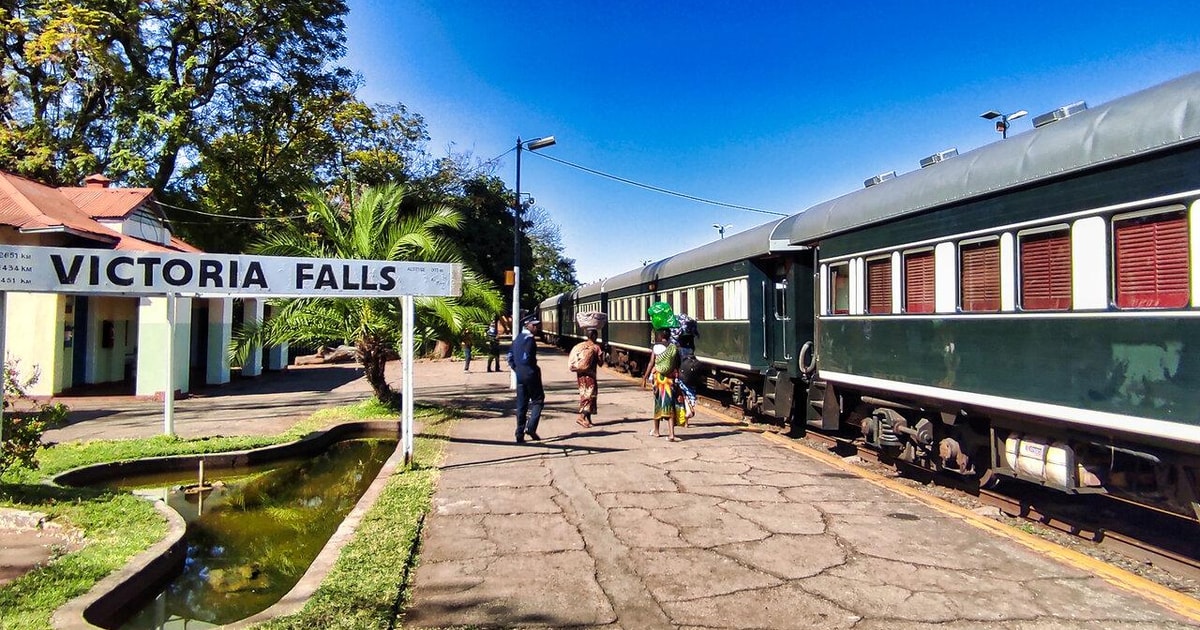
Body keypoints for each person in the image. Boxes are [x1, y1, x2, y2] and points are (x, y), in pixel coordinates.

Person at [507, 313, 544, 443]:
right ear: (528, 325)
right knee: (538, 400)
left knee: (521, 405)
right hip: (531, 374)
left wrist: (516, 369)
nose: (537, 327)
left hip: (520, 376)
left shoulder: (517, 339)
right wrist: (533, 369)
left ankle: (519, 433)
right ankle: (531, 427)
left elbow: (509, 356)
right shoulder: (530, 340)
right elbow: (528, 358)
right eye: (534, 325)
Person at [641, 328, 680, 442]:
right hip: (670, 379)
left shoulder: (656, 347)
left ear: (660, 336)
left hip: (658, 379)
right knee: (670, 404)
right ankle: (671, 434)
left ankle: (656, 431)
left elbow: (651, 363)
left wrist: (644, 377)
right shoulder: (674, 348)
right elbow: (677, 364)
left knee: (658, 403)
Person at [572, 328, 604, 428]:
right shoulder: (596, 347)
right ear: (594, 336)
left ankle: (588, 420)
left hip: (580, 376)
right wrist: (602, 354)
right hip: (591, 376)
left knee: (584, 396)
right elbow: (601, 363)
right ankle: (581, 417)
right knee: (590, 397)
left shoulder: (581, 346)